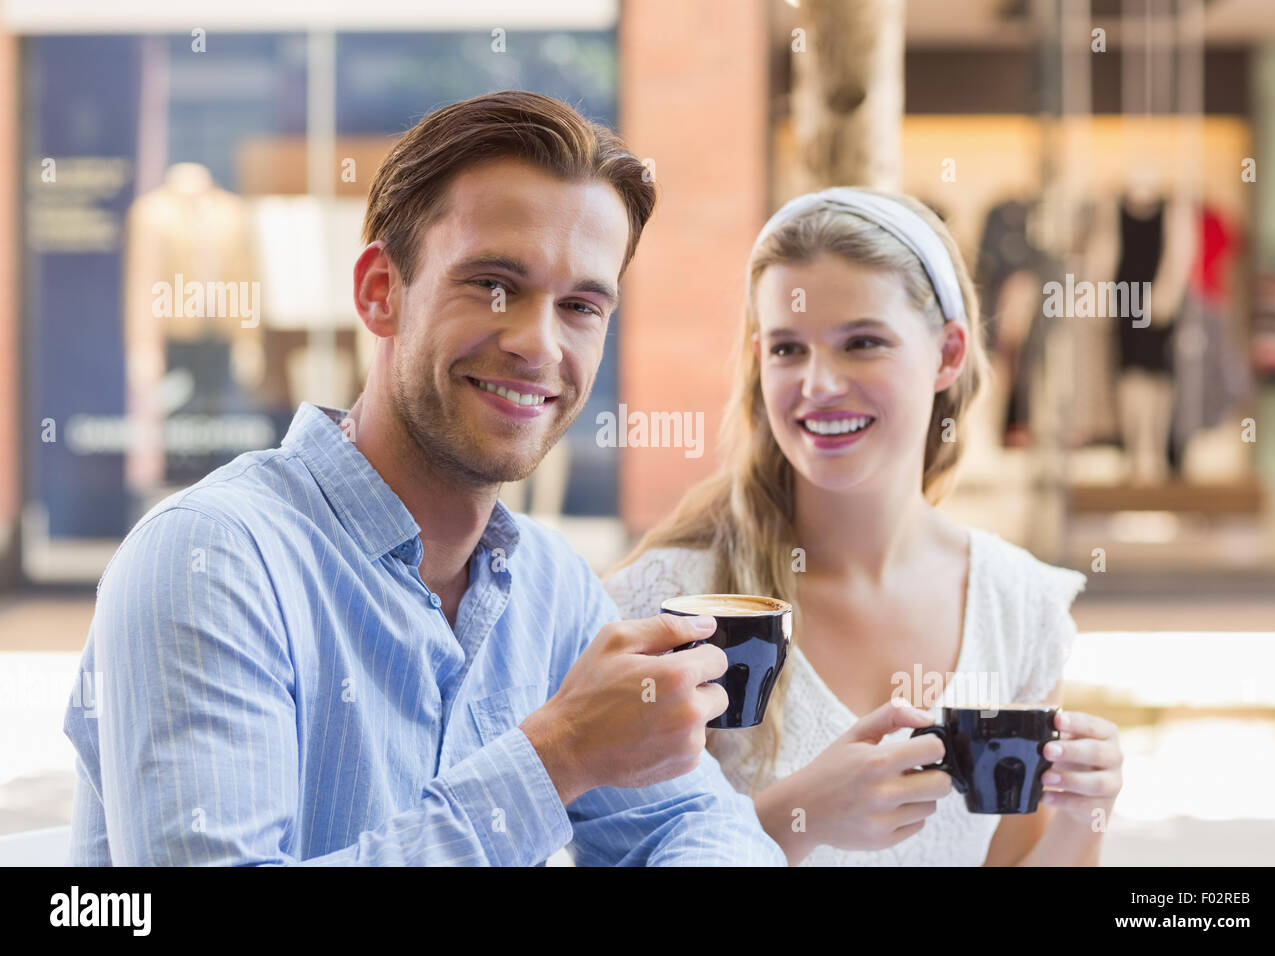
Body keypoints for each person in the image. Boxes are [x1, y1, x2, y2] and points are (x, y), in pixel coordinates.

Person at [63, 90, 785, 867]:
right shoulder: (211, 561)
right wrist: (557, 757)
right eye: (494, 285)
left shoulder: (550, 587)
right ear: (381, 291)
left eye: (580, 305)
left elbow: (704, 829)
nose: (538, 345)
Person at [605, 188, 1123, 866]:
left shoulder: (1019, 606)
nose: (819, 383)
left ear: (947, 354)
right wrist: (800, 817)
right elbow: (619, 854)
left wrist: (1084, 817)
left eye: (862, 343)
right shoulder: (672, 604)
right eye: (789, 350)